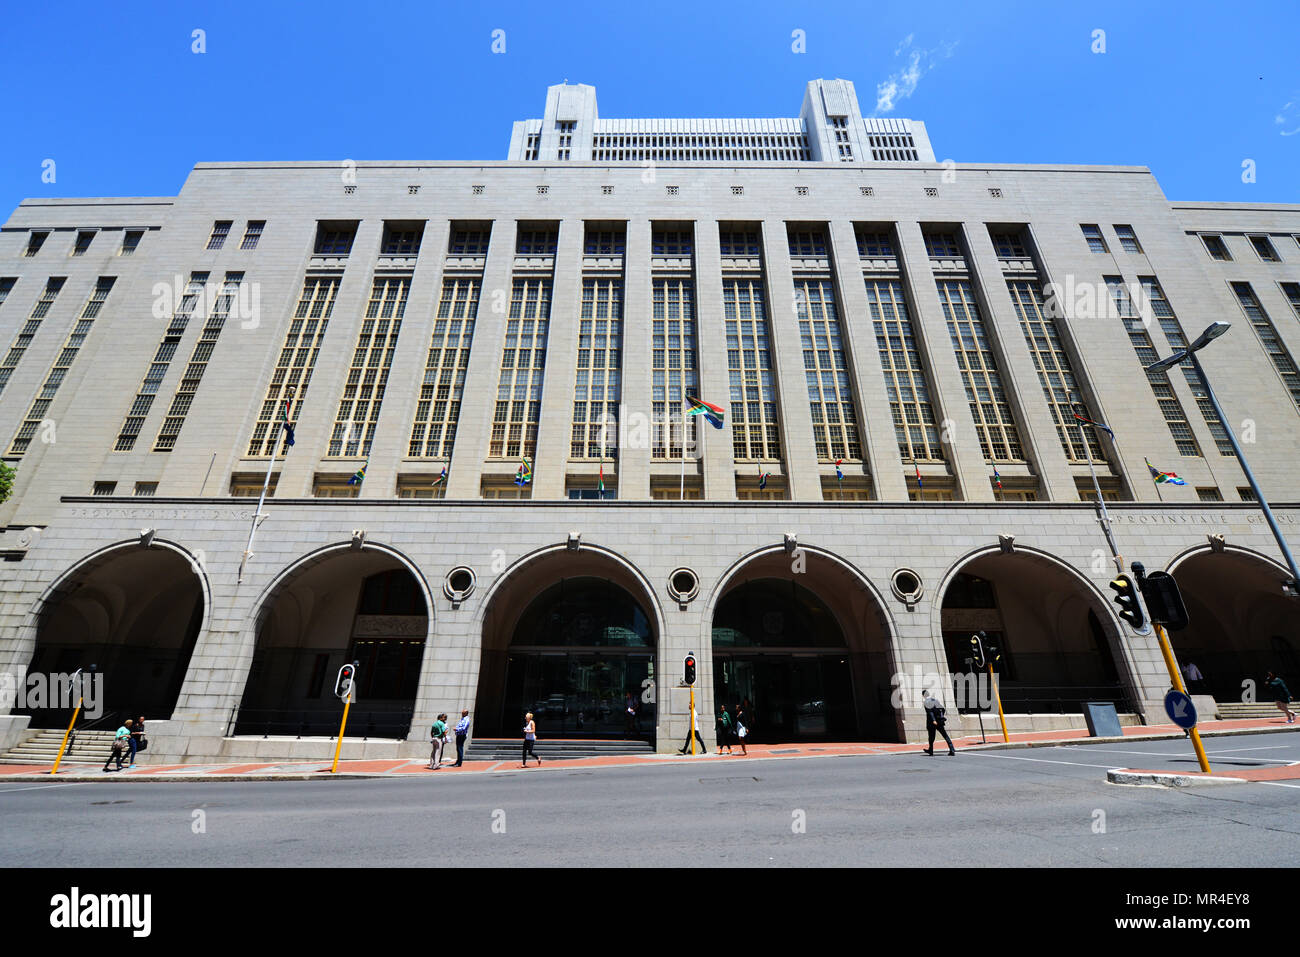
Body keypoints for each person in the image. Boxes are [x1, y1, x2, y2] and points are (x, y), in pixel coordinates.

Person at [922, 690, 955, 756]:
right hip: (939, 721)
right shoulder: (935, 700)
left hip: (932, 722)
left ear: (923, 696)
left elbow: (930, 712)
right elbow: (942, 709)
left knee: (931, 737)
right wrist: (940, 716)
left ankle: (931, 751)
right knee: (945, 735)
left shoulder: (926, 702)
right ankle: (952, 749)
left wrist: (934, 720)